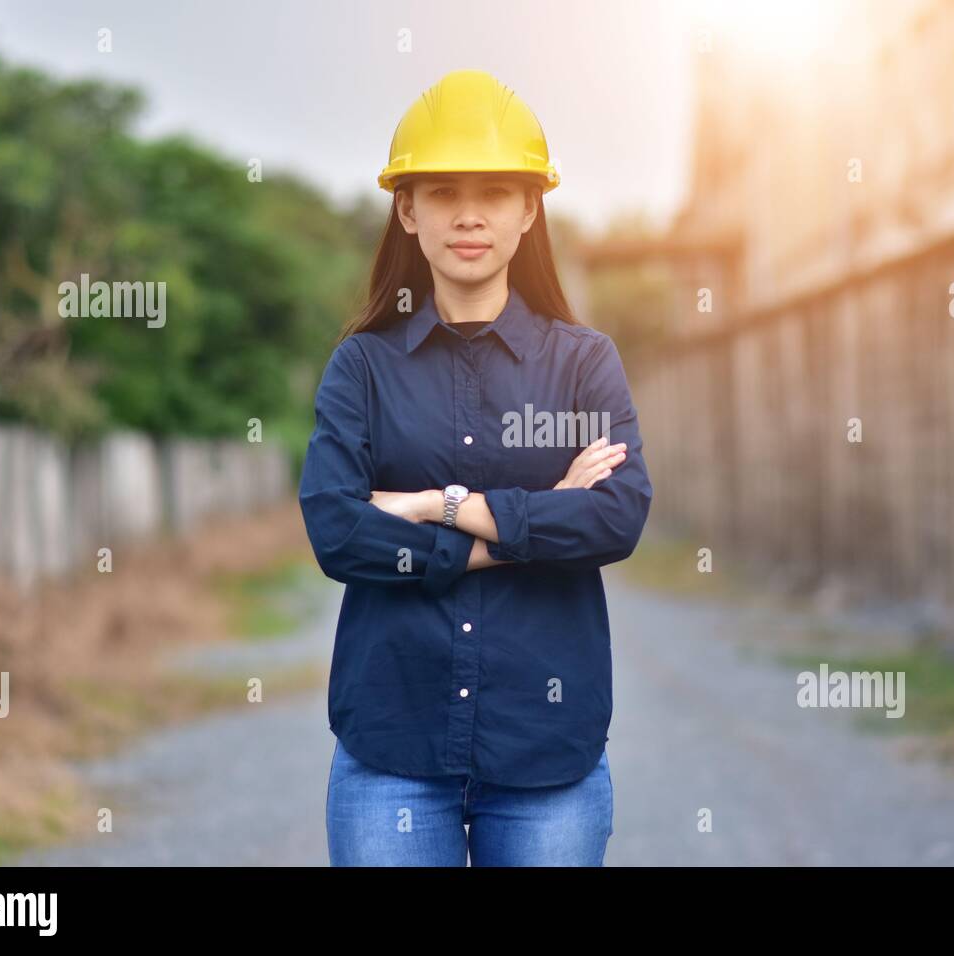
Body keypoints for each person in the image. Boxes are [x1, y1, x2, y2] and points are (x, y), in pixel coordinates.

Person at [298, 69, 652, 866]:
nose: (468, 214)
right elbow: (336, 530)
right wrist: (522, 521)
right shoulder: (361, 368)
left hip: (545, 759)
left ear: (530, 209)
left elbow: (616, 515)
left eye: (495, 191)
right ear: (406, 207)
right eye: (444, 190)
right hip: (391, 753)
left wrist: (432, 506)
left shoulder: (584, 365)